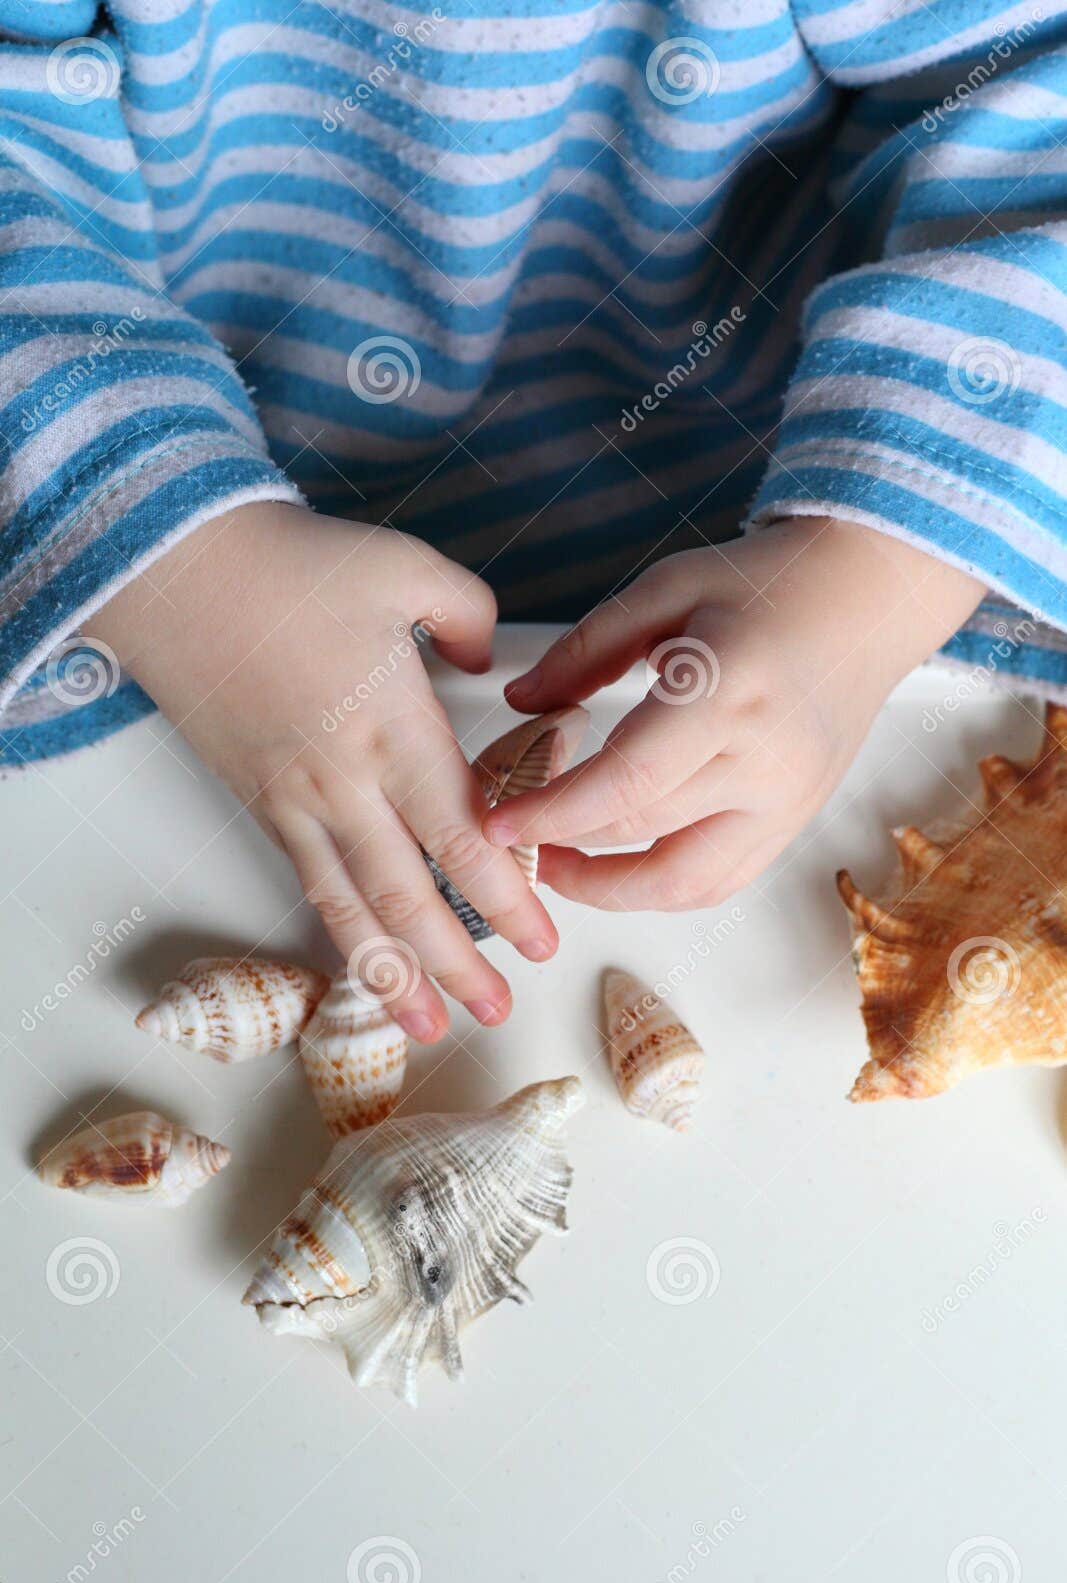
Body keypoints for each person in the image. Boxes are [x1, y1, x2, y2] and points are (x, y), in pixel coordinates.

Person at [2, 3, 1064, 1046]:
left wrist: (870, 579)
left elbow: (1031, 80)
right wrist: (184, 568)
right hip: (152, 591)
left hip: (776, 538)